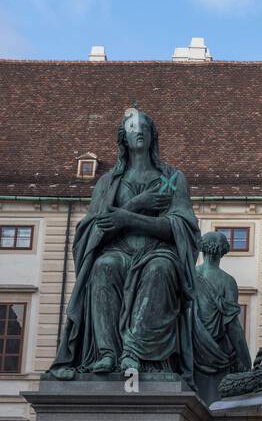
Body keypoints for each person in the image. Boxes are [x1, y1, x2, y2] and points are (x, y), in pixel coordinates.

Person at [48, 106, 199, 380]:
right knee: (102, 267)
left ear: (152, 136)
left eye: (144, 127)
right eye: (132, 127)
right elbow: (96, 228)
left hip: (158, 252)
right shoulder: (108, 182)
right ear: (123, 138)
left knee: (160, 270)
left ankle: (134, 352)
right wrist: (137, 206)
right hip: (117, 250)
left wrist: (127, 218)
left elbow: (179, 227)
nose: (138, 131)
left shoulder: (171, 180)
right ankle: (107, 352)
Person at [192, 230, 251, 402]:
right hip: (219, 351)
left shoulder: (189, 275)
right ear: (223, 252)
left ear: (203, 249)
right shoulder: (227, 281)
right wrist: (245, 359)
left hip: (190, 347)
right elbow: (232, 324)